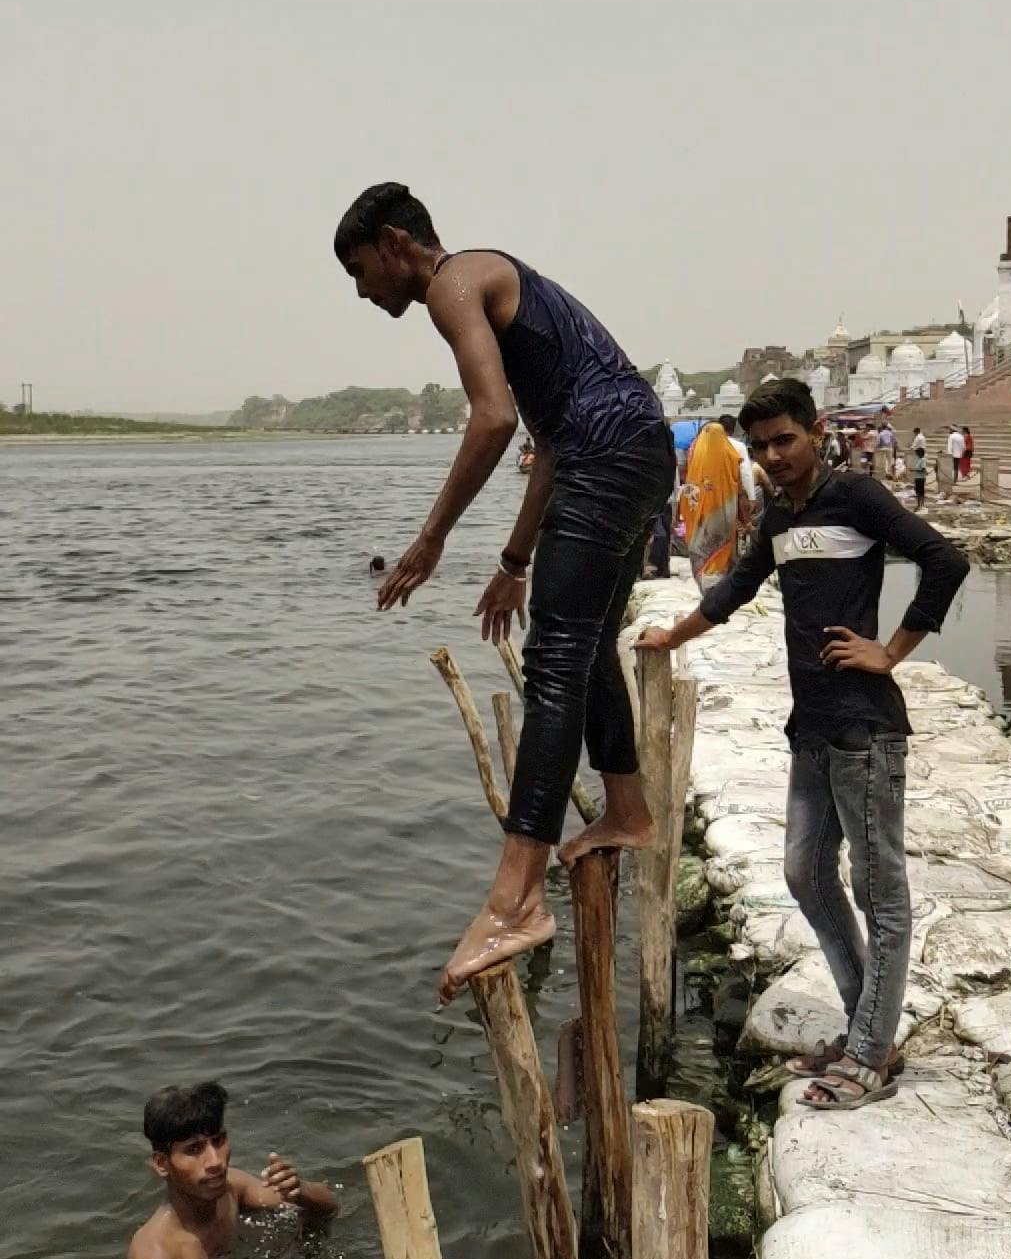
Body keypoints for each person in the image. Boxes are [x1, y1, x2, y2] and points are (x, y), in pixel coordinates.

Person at [333, 183, 674, 1001]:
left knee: (554, 661)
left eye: (359, 270)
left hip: (609, 458)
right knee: (582, 646)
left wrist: (432, 537)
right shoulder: (501, 289)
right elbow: (545, 440)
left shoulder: (453, 284)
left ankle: (517, 899)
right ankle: (626, 810)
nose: (361, 291)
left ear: (394, 243)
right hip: (638, 451)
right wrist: (516, 561)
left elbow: (490, 421)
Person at [637, 378, 968, 1112]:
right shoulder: (781, 516)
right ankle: (864, 1027)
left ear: (815, 431)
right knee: (803, 874)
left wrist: (892, 651)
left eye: (784, 440)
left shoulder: (855, 498)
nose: (771, 456)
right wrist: (671, 636)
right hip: (811, 727)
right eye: (758, 446)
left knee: (879, 892)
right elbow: (734, 591)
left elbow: (945, 561)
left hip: (866, 728)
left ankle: (872, 1051)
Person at [127, 1081, 337, 1259]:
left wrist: (299, 1188)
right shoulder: (159, 1258)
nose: (215, 1161)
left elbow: (329, 1205)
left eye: (219, 1140)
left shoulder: (231, 1189)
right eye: (194, 1149)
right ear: (161, 1164)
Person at [680, 422, 748, 582]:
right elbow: (739, 484)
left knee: (700, 546)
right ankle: (718, 581)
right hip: (723, 512)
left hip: (698, 512)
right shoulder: (730, 454)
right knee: (720, 547)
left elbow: (688, 485)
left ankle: (705, 581)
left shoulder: (694, 453)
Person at [911, 440, 928, 511]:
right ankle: (918, 504)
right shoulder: (919, 459)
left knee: (920, 491)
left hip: (920, 478)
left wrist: (914, 470)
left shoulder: (923, 460)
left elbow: (923, 469)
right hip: (918, 477)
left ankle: (921, 504)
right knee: (918, 491)